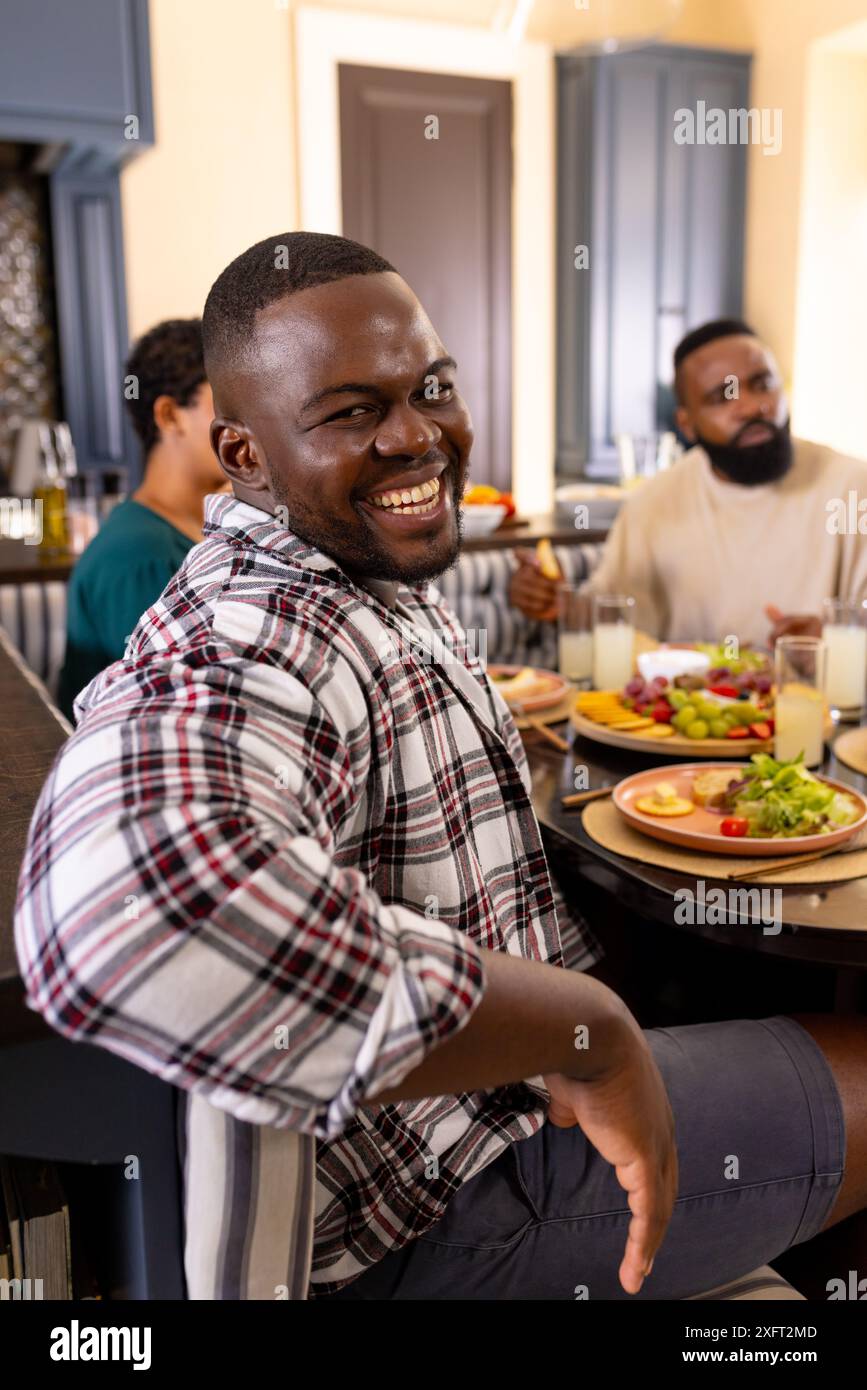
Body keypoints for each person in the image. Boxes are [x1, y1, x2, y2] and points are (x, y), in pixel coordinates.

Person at [15, 236, 867, 1301]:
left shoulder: (359, 566)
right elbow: (125, 904)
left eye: (432, 387)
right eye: (351, 410)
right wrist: (589, 1032)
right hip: (438, 1207)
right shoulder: (252, 627)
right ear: (243, 453)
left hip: (488, 1119)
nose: (419, 435)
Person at [510, 319, 867, 648]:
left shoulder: (852, 488)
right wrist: (551, 601)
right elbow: (613, 618)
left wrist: (838, 644)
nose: (750, 407)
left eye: (762, 384)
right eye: (720, 397)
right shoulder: (653, 502)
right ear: (687, 424)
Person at [57, 318, 230, 721]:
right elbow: (173, 712)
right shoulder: (142, 556)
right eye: (226, 399)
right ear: (169, 415)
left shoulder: (185, 531)